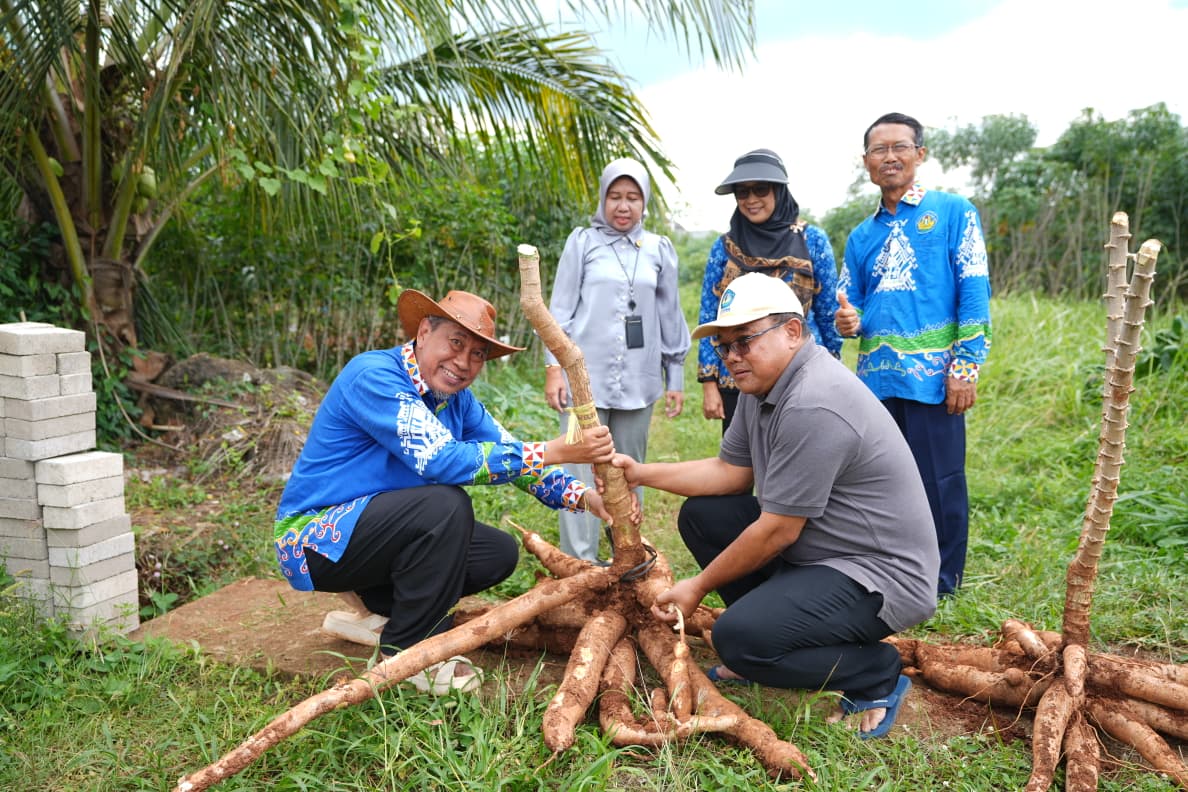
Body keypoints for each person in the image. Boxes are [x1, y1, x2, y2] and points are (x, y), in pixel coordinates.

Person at [612, 272, 939, 738]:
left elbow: (778, 531)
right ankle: (779, 641)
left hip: (881, 574)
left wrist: (696, 586)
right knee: (705, 516)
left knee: (738, 640)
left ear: (791, 331)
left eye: (745, 340)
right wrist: (639, 473)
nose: (733, 357)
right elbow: (730, 474)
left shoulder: (813, 401)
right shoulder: (763, 384)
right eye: (725, 346)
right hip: (824, 550)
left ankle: (873, 673)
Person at [274, 288, 616, 694]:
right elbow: (439, 459)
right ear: (423, 332)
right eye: (456, 343)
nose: (463, 362)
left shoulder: (458, 402)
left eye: (477, 355)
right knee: (445, 505)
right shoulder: (374, 376)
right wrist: (556, 448)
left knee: (496, 552)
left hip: (372, 536)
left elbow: (516, 459)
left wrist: (585, 498)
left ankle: (380, 613)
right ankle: (407, 651)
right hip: (313, 539)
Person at [835, 112, 992, 597]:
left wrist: (964, 368)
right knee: (883, 483)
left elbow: (974, 292)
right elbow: (850, 298)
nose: (889, 157)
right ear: (865, 162)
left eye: (899, 147)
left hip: (933, 377)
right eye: (879, 150)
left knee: (940, 479)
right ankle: (895, 572)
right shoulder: (861, 235)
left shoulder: (952, 212)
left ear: (919, 155)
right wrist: (848, 320)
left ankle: (945, 581)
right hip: (875, 381)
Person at [543, 158, 690, 562]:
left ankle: (626, 559)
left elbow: (669, 314)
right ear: (603, 199)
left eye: (632, 197)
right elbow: (559, 311)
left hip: (638, 380)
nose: (623, 206)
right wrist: (553, 369)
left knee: (628, 470)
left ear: (644, 203)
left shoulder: (659, 249)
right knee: (577, 471)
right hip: (582, 379)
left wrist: (674, 373)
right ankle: (579, 564)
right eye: (615, 196)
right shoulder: (583, 243)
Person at [697, 148, 843, 433]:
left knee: (800, 459)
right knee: (739, 467)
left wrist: (832, 370)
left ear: (778, 191)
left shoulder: (811, 241)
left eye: (760, 190)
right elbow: (709, 314)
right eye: (742, 193)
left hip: (800, 376)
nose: (751, 200)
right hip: (737, 376)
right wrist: (709, 384)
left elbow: (828, 314)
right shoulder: (724, 247)